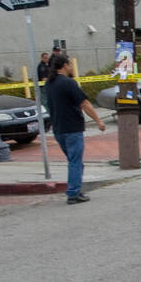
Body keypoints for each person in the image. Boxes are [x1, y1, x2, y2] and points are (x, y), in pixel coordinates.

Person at [47, 53, 106, 204]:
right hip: (72, 128)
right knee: (75, 161)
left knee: (75, 161)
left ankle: (76, 189)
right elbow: (84, 103)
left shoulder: (50, 83)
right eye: (70, 64)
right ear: (65, 65)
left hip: (58, 129)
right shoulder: (68, 83)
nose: (72, 67)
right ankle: (73, 193)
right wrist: (98, 120)